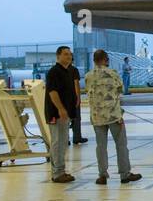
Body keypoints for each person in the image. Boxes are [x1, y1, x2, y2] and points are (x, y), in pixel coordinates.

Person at [84, 49, 142, 185]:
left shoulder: (88, 76)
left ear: (94, 60)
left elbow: (88, 91)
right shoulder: (113, 73)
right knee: (121, 145)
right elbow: (121, 89)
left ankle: (102, 175)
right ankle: (124, 174)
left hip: (97, 116)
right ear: (106, 60)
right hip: (114, 116)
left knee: (101, 146)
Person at [45, 45, 77, 183]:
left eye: (69, 54)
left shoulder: (69, 71)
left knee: (63, 142)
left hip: (65, 113)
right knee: (57, 142)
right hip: (55, 113)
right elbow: (53, 92)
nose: (68, 56)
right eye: (65, 54)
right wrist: (60, 109)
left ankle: (61, 170)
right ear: (58, 56)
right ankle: (57, 173)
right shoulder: (54, 72)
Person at [69, 60, 87, 144]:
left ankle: (65, 139)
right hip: (73, 98)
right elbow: (76, 84)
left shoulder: (57, 70)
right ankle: (77, 137)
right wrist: (78, 98)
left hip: (63, 99)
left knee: (65, 119)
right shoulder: (73, 69)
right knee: (76, 118)